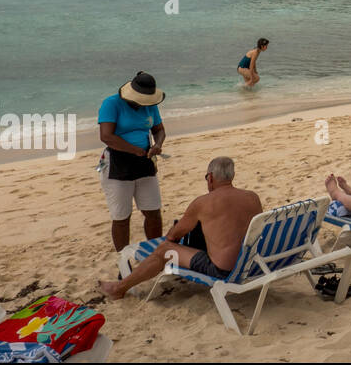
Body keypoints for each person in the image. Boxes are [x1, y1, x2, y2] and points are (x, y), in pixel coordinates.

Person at [98, 157, 262, 299]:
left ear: (210, 178)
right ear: (232, 176)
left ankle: (118, 288)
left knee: (165, 249)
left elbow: (172, 236)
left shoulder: (203, 203)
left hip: (224, 271)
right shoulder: (252, 197)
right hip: (251, 263)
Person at [97, 71, 167, 251]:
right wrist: (133, 150)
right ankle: (123, 257)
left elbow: (159, 130)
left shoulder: (150, 105)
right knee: (122, 216)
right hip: (117, 162)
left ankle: (155, 252)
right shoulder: (111, 104)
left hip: (145, 159)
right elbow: (106, 136)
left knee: (153, 211)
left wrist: (157, 145)